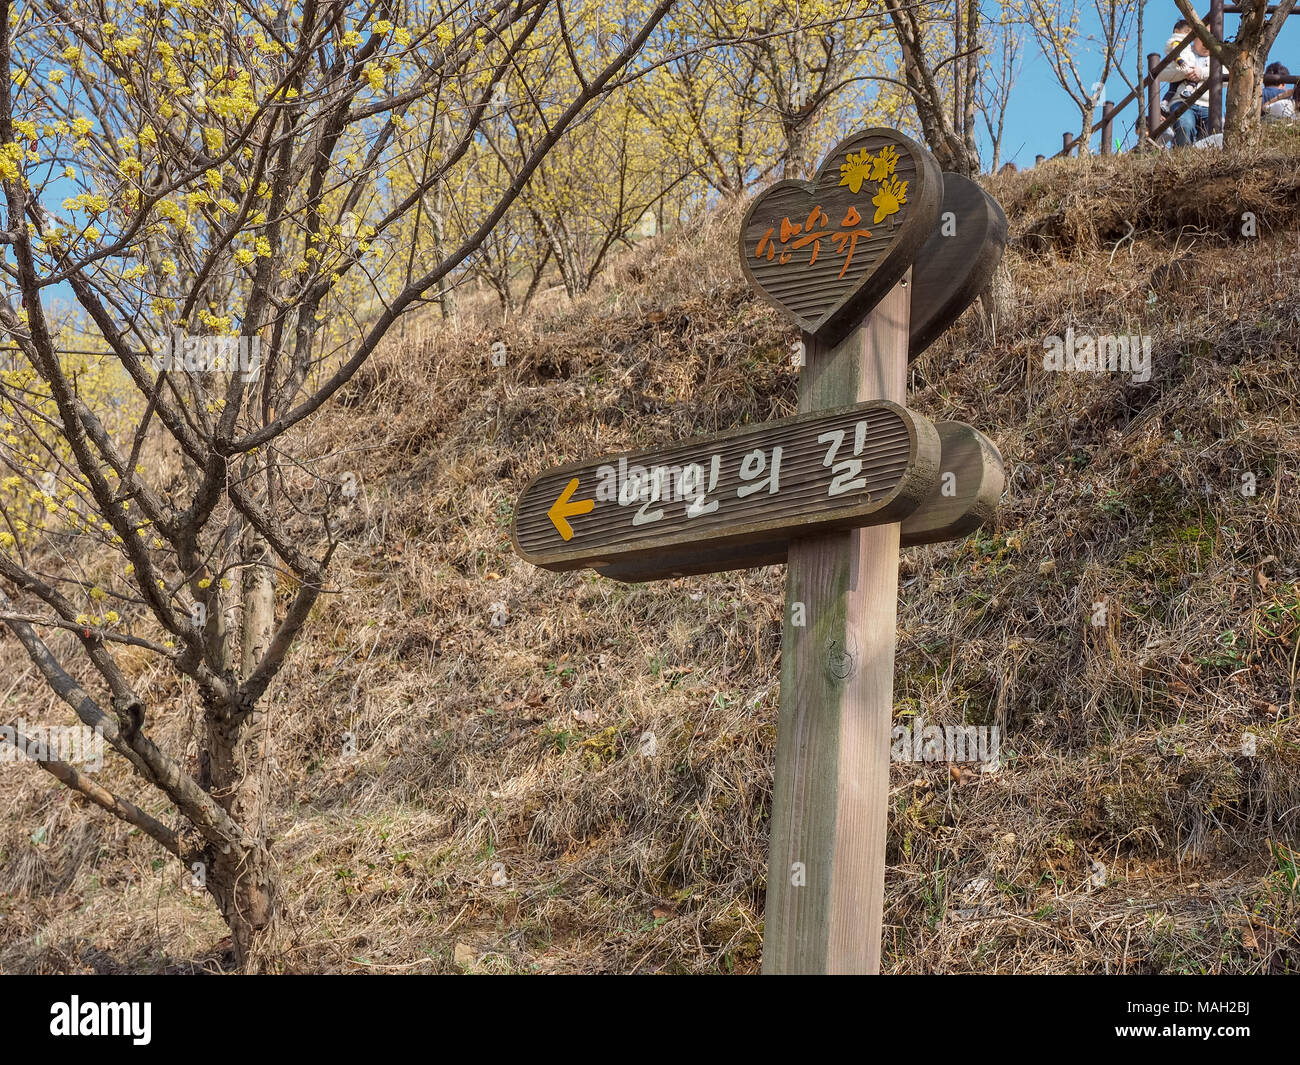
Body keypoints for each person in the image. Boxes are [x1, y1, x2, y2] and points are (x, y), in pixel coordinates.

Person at [1158, 19, 1214, 146]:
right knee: (1185, 125)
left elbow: (1227, 73)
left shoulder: (1217, 59)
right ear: (1194, 36)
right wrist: (1185, 71)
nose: (1207, 42)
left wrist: (1202, 73)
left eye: (1212, 37)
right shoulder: (1184, 52)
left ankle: (1203, 162)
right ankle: (1183, 159)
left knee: (1213, 131)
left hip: (1209, 105)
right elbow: (1161, 75)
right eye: (1203, 36)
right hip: (1182, 102)